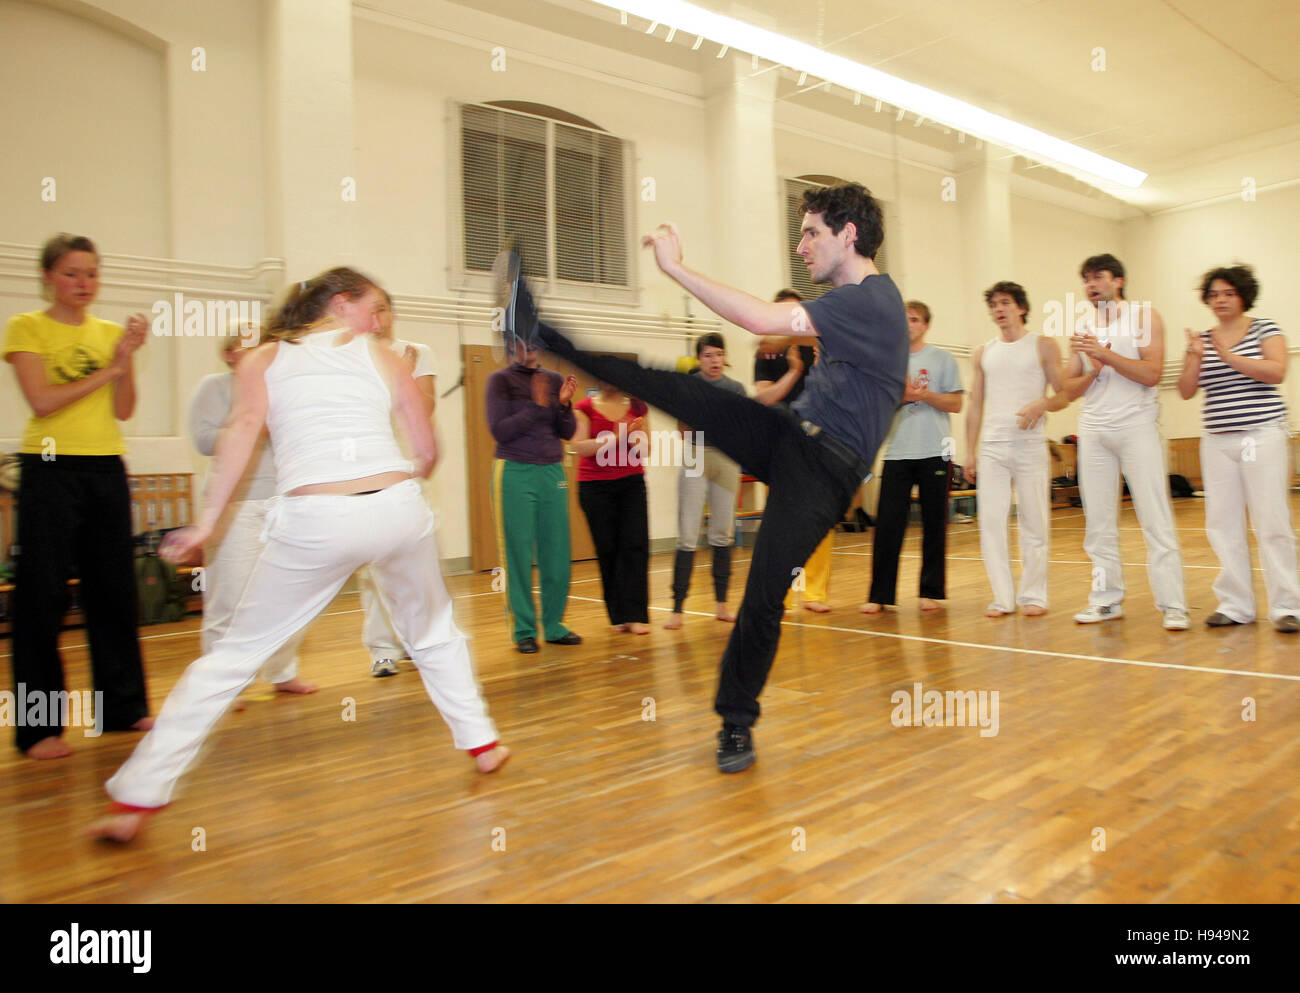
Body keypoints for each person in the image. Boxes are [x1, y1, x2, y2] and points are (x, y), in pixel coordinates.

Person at [90, 267, 507, 843]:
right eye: (375, 308)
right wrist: (414, 474)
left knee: (233, 657)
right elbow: (425, 440)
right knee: (433, 629)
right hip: (396, 509)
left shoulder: (262, 359)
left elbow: (240, 430)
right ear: (339, 305)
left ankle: (137, 797)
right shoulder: (381, 354)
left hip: (317, 519)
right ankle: (482, 742)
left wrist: (206, 523)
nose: (381, 321)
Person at [502, 182, 908, 772]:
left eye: (811, 233)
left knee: (765, 592)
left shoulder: (872, 299)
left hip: (826, 471)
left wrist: (676, 269)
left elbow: (762, 319)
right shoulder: (851, 308)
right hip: (793, 436)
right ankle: (540, 333)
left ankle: (735, 723)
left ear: (849, 235)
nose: (801, 246)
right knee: (681, 387)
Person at [4, 234, 153, 759]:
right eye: (71, 273)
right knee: (41, 596)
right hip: (48, 467)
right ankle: (39, 729)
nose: (83, 283)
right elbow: (43, 402)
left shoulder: (110, 333)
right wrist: (111, 367)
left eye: (91, 273)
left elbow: (125, 409)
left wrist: (126, 358)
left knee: (113, 589)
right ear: (47, 277)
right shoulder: (27, 327)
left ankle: (124, 708)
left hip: (105, 465)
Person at [1059, 254, 1188, 630]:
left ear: (1118, 281)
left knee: (1155, 519)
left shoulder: (1145, 316)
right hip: (1094, 431)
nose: (1090, 285)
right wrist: (1093, 370)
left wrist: (1105, 355)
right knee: (1098, 524)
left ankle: (1174, 605)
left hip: (1137, 428)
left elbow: (1152, 373)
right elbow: (1068, 388)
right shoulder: (1083, 326)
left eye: (1097, 277)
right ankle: (1105, 600)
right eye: (1085, 279)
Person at [188, 331, 317, 695]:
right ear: (229, 354)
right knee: (228, 597)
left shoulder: (281, 387)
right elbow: (202, 440)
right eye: (246, 343)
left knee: (291, 596)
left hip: (285, 501)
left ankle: (281, 671)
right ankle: (220, 684)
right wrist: (249, 426)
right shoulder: (213, 388)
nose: (257, 349)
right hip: (234, 506)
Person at [1176, 264, 1299, 632]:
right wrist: (1195, 355)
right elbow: (1184, 390)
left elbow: (1276, 371)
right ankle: (1235, 604)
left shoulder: (1264, 328)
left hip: (1261, 434)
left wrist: (1229, 357)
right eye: (1214, 295)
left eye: (1228, 293)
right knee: (1223, 523)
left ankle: (1287, 606)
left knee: (1271, 520)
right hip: (1217, 440)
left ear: (1243, 295)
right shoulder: (1202, 338)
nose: (1220, 300)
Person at [964, 281, 1069, 617]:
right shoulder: (984, 352)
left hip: (1029, 445)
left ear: (1021, 307)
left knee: (1034, 520)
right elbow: (976, 404)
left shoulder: (1044, 345)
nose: (999, 309)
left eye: (1005, 302)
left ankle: (1034, 595)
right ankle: (1002, 597)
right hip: (993, 447)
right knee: (991, 522)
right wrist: (970, 451)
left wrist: (1043, 404)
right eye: (993, 303)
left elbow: (1064, 393)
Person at [863, 300, 963, 614]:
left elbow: (956, 404)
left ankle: (930, 591)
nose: (909, 325)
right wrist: (899, 396)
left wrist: (921, 395)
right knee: (888, 525)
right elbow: (877, 405)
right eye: (904, 319)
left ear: (926, 325)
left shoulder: (942, 359)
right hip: (897, 452)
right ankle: (880, 595)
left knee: (934, 523)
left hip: (937, 450)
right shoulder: (886, 361)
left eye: (915, 319)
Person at [357, 289, 438, 676]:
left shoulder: (416, 350)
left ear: (392, 314)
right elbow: (359, 410)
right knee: (374, 567)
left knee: (414, 562)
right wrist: (394, 379)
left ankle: (418, 642)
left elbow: (423, 408)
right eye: (370, 310)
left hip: (408, 469)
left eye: (383, 309)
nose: (378, 318)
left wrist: (403, 377)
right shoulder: (353, 355)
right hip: (365, 471)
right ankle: (382, 650)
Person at [485, 340, 581, 654]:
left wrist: (564, 405)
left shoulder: (553, 380)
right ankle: (523, 630)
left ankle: (554, 626)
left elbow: (566, 431)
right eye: (523, 341)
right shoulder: (500, 381)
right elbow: (500, 430)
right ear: (512, 345)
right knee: (518, 555)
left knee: (557, 554)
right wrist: (537, 407)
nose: (532, 347)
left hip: (551, 472)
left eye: (536, 340)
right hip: (514, 471)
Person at [753, 290, 835, 614]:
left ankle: (813, 593)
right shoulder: (766, 352)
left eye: (795, 310)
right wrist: (794, 372)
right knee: (780, 521)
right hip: (778, 439)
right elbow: (764, 398)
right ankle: (780, 594)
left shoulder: (818, 342)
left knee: (820, 517)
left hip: (816, 437)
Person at [664, 332, 747, 630]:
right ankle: (677, 609)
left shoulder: (736, 389)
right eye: (709, 355)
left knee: (722, 533)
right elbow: (682, 427)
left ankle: (722, 605)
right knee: (688, 534)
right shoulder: (689, 385)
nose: (715, 360)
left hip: (726, 460)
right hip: (696, 454)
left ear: (725, 358)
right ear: (699, 359)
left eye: (719, 354)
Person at [571, 382, 651, 635]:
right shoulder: (584, 407)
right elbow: (579, 447)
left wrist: (636, 439)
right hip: (595, 487)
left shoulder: (638, 407)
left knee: (635, 545)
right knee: (608, 548)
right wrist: (618, 437)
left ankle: (636, 615)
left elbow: (647, 450)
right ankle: (618, 615)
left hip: (631, 484)